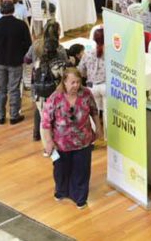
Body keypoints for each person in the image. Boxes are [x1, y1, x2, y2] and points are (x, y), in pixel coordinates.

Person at [41, 68, 100, 209]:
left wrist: (99, 128)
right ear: (65, 82)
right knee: (61, 170)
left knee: (82, 170)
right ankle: (61, 191)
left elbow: (94, 110)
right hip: (61, 143)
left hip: (83, 141)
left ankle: (80, 197)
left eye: (78, 82)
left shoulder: (86, 94)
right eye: (72, 82)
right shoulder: (55, 98)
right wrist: (49, 142)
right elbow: (46, 122)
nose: (76, 85)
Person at [0, 1, 32, 124]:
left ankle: (1, 116)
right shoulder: (21, 25)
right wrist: (23, 56)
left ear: (1, 11)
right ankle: (14, 116)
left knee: (0, 90)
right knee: (14, 89)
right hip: (15, 62)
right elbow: (28, 44)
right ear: (13, 10)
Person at [78, 28, 107, 116]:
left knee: (94, 113)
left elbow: (81, 70)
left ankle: (95, 129)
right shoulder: (111, 53)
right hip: (106, 85)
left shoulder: (87, 53)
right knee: (107, 112)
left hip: (91, 86)